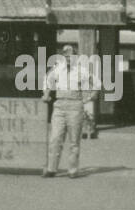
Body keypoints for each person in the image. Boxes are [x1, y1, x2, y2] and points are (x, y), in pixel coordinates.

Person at [42, 43, 98, 177]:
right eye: (65, 56)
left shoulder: (82, 70)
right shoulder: (57, 69)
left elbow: (95, 83)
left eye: (71, 56)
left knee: (74, 141)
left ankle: (72, 170)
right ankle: (51, 169)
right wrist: (46, 94)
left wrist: (92, 95)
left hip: (75, 106)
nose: (68, 58)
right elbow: (48, 81)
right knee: (55, 138)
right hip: (60, 105)